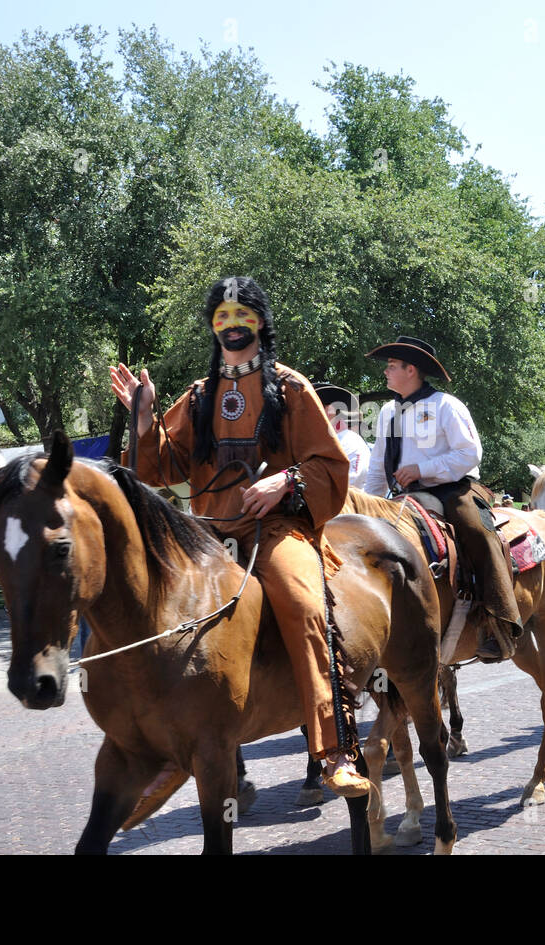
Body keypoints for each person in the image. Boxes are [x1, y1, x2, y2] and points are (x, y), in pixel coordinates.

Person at [109, 276, 367, 798]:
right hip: (206, 534)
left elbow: (330, 467)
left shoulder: (293, 389)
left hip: (275, 530)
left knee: (302, 601)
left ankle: (335, 750)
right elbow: (160, 466)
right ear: (212, 325)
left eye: (242, 315)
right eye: (222, 316)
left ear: (261, 322)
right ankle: (159, 746)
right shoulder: (199, 395)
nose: (231, 325)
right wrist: (142, 420)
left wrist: (286, 480)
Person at [361, 336, 521, 663]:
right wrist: (365, 507)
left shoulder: (446, 405)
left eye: (392, 366)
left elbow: (469, 453)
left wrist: (423, 467)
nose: (386, 373)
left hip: (452, 489)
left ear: (411, 370)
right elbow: (378, 466)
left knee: (477, 532)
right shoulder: (388, 412)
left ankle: (499, 621)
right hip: (404, 495)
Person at [314, 384, 370, 488]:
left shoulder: (350, 442)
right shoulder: (326, 443)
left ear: (330, 409)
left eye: (315, 407)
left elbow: (349, 488)